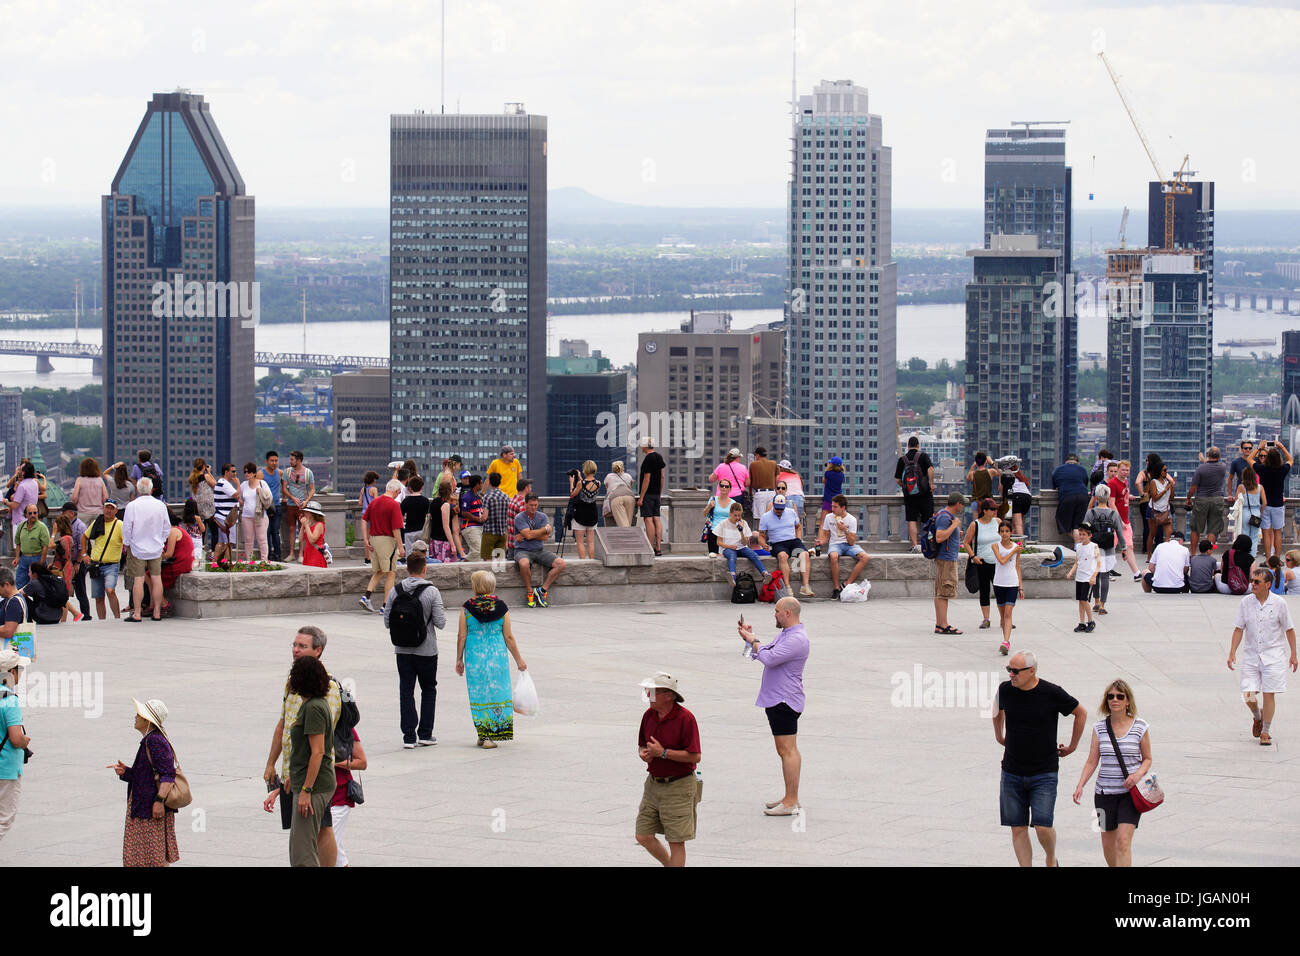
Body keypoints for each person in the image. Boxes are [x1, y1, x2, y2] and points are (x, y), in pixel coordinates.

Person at [992, 651, 1087, 867]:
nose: (1011, 675)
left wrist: (1072, 746)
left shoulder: (1051, 692)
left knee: (1043, 826)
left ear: (1032, 671)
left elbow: (1081, 713)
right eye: (1009, 670)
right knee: (1017, 828)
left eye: (1015, 671)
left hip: (1044, 772)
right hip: (1011, 771)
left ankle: (1051, 859)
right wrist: (999, 735)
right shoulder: (1005, 689)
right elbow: (997, 710)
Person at [262, 625, 341, 867]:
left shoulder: (325, 690)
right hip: (295, 774)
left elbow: (319, 747)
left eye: (302, 646)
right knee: (301, 836)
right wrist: (272, 764)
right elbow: (283, 724)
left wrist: (305, 787)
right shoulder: (294, 683)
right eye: (294, 645)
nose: (295, 650)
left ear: (318, 650)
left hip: (312, 778)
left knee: (317, 833)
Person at [738, 596, 809, 816]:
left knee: (787, 750)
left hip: (784, 700)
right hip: (778, 699)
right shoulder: (787, 635)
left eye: (777, 611)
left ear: (787, 613)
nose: (775, 615)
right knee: (786, 750)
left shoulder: (796, 638)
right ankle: (790, 797)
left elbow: (769, 658)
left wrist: (754, 641)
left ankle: (791, 801)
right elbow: (765, 651)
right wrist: (751, 639)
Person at [1071, 680, 1152, 867]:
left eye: (1119, 696)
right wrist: (1080, 784)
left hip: (1129, 795)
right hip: (1104, 795)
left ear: (1127, 701)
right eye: (1111, 696)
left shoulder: (1140, 727)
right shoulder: (1099, 728)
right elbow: (1092, 760)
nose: (1114, 700)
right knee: (1107, 844)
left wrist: (1137, 775)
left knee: (1123, 842)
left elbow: (1147, 758)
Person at [634, 672, 702, 867]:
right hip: (653, 784)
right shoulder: (649, 715)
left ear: (669, 695)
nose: (648, 696)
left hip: (679, 785)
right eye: (648, 691)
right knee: (643, 835)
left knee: (676, 840)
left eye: (653, 692)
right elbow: (642, 744)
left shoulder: (686, 718)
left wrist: (663, 753)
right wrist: (644, 753)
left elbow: (695, 756)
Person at [1228, 568, 1299, 747]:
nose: (1252, 584)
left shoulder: (1279, 603)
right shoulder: (1245, 602)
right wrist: (1232, 653)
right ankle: (1257, 716)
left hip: (1273, 655)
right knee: (1248, 693)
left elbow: (1289, 629)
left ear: (1267, 585)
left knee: (1269, 693)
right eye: (1252, 581)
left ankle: (1266, 731)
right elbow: (1238, 628)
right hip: (1252, 654)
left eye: (1256, 582)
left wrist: (1293, 654)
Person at [382, 552, 447, 748]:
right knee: (428, 689)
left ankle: (408, 736)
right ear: (425, 568)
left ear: (407, 568)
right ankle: (425, 734)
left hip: (402, 649)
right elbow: (440, 622)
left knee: (406, 690)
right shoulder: (432, 591)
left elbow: (387, 621)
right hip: (426, 649)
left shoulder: (395, 590)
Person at [456, 569, 527, 748]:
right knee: (498, 693)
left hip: (474, 657)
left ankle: (483, 733)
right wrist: (519, 660)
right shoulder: (501, 607)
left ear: (475, 586)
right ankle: (492, 733)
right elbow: (509, 637)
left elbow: (462, 636)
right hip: (497, 657)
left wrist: (459, 659)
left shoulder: (467, 608)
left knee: (479, 694)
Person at [109, 698, 180, 867]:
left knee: (150, 858)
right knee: (146, 857)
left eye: (139, 715)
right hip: (144, 806)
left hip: (149, 809)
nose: (135, 717)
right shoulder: (150, 740)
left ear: (148, 720)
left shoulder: (155, 741)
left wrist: (159, 801)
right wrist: (126, 772)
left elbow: (168, 774)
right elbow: (146, 775)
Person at [279, 656, 335, 866]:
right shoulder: (313, 705)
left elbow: (318, 752)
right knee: (301, 845)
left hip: (315, 786)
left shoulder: (313, 708)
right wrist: (295, 778)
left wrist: (306, 790)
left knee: (302, 852)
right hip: (310, 782)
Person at [122, 477, 171, 623]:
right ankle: (157, 612)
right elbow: (166, 527)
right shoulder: (160, 505)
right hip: (156, 547)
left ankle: (137, 613)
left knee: (139, 579)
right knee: (156, 579)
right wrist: (161, 541)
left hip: (137, 547)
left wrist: (127, 543)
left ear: (137, 489)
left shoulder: (132, 506)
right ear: (151, 489)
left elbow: (127, 528)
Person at [0, 644, 31, 843]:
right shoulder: (9, 700)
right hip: (6, 767)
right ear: (11, 672)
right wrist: (24, 740)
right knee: (4, 818)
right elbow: (15, 737)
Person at [513, 493, 566, 608]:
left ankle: (542, 590)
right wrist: (544, 529)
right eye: (531, 505)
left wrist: (528, 535)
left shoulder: (542, 517)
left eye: (535, 505)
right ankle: (529, 592)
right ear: (525, 504)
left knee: (560, 564)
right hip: (522, 550)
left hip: (539, 550)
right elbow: (532, 534)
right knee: (524, 563)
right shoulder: (519, 517)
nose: (533, 508)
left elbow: (545, 537)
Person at [360, 479, 405, 613]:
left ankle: (366, 597)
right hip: (387, 541)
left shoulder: (374, 502)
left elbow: (363, 519)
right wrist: (401, 547)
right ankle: (386, 606)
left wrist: (365, 539)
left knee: (379, 570)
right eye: (399, 492)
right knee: (391, 572)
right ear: (396, 491)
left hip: (374, 538)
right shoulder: (394, 504)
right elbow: (396, 528)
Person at [758, 494, 815, 598]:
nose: (779, 511)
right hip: (777, 542)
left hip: (793, 541)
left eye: (781, 509)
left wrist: (798, 538)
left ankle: (805, 586)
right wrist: (763, 544)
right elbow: (761, 535)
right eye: (777, 508)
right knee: (782, 556)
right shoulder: (765, 517)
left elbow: (798, 526)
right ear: (773, 505)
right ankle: (787, 587)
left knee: (805, 554)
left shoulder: (791, 512)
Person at [817, 494, 870, 599]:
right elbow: (826, 536)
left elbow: (851, 542)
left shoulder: (852, 519)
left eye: (835, 507)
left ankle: (846, 584)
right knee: (833, 557)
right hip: (835, 544)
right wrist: (821, 542)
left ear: (843, 507)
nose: (832, 509)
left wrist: (845, 529)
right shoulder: (829, 517)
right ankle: (836, 588)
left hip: (848, 545)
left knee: (865, 557)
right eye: (832, 506)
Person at [81, 499, 124, 619]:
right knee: (99, 596)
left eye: (111, 508)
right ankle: (102, 620)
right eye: (107, 507)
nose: (108, 510)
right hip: (95, 564)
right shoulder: (97, 522)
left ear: (116, 510)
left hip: (111, 564)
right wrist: (84, 554)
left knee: (110, 590)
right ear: (103, 508)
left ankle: (117, 617)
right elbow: (84, 537)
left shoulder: (119, 525)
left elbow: (127, 541)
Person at [330, 723, 366, 867]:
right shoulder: (315, 725)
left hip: (340, 795)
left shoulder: (346, 729)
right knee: (334, 847)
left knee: (330, 842)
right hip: (320, 797)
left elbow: (362, 762)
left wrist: (334, 763)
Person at [1251, 439, 1292, 563]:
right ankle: (1277, 558)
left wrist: (1259, 448)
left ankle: (1268, 558)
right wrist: (1282, 447)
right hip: (1278, 504)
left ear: (1267, 458)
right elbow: (1290, 460)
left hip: (1265, 505)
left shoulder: (1262, 469)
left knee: (1266, 533)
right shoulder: (1282, 469)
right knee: (1278, 532)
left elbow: (1249, 460)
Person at [962, 497, 1001, 629]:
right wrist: (973, 556)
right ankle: (986, 618)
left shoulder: (998, 522)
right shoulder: (975, 525)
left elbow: (1005, 538)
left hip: (998, 562)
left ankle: (1004, 618)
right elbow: (966, 543)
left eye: (995, 509)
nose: (995, 511)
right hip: (982, 562)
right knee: (984, 590)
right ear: (984, 510)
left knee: (1000, 590)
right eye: (992, 509)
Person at [1186, 446, 1231, 554]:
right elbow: (1212, 465)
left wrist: (1188, 498)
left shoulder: (1201, 469)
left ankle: (1193, 554)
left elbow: (1193, 488)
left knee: (1196, 528)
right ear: (1219, 456)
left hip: (1202, 499)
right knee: (1213, 529)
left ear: (1208, 455)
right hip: (1217, 500)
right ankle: (1208, 553)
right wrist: (1204, 460)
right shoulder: (1222, 467)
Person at [1083, 488, 1121, 615]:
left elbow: (1083, 531)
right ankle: (1103, 605)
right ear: (1108, 497)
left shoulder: (1090, 513)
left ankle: (1096, 601)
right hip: (1108, 549)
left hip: (1094, 548)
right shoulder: (1114, 514)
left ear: (1097, 498)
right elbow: (1120, 532)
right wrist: (1125, 548)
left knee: (1096, 575)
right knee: (1105, 576)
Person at [933, 492, 966, 634]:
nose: (963, 506)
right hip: (946, 559)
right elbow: (939, 537)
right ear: (957, 503)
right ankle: (944, 624)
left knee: (940, 592)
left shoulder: (944, 515)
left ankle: (939, 624)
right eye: (962, 504)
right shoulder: (945, 517)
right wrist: (954, 526)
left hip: (946, 557)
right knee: (945, 592)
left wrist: (955, 532)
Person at [896, 437, 936, 553]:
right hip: (924, 494)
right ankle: (928, 544)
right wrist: (931, 484)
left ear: (908, 446)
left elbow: (898, 479)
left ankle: (915, 545)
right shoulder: (923, 456)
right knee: (928, 519)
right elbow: (931, 469)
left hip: (909, 496)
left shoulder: (902, 459)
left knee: (912, 519)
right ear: (918, 445)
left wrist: (907, 486)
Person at [991, 521, 1023, 656]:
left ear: (1011, 533)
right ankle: (1005, 635)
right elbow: (1002, 561)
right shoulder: (995, 546)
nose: (1004, 534)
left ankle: (1006, 641)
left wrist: (1020, 587)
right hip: (999, 583)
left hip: (1012, 583)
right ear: (999, 533)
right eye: (1002, 531)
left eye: (1007, 531)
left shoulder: (1016, 548)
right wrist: (1013, 551)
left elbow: (1017, 566)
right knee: (1003, 615)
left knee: (1008, 613)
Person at [717, 502, 766, 586]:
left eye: (739, 515)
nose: (737, 518)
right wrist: (730, 546)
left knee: (753, 555)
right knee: (732, 556)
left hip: (741, 547)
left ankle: (765, 574)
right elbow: (719, 542)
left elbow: (744, 542)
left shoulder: (744, 523)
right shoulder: (723, 523)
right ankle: (732, 576)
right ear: (730, 514)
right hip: (727, 548)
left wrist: (741, 531)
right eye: (735, 515)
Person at [1108, 461, 1142, 578]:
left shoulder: (1125, 482)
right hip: (1114, 521)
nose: (1125, 472)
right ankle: (1106, 571)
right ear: (1118, 469)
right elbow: (1111, 503)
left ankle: (1136, 573)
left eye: (1127, 470)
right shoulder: (1112, 483)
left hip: (1125, 520)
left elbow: (1122, 496)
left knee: (1129, 546)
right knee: (1110, 547)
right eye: (1123, 470)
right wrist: (1119, 520)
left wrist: (1129, 496)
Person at [282, 451, 316, 563]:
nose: (290, 461)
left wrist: (307, 500)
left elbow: (312, 489)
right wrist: (292, 497)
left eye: (292, 459)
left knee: (302, 529)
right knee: (291, 528)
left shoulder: (308, 473)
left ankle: (301, 554)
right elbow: (284, 488)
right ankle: (291, 553)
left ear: (299, 460)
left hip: (303, 505)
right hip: (291, 505)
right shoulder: (287, 472)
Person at [238, 463, 273, 561]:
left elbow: (269, 498)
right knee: (248, 540)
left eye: (248, 472)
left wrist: (260, 492)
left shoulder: (262, 483)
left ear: (254, 473)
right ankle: (249, 561)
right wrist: (243, 504)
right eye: (245, 472)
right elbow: (240, 499)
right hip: (246, 516)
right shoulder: (243, 485)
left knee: (262, 539)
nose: (246, 474)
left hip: (260, 515)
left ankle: (264, 560)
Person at [637, 439, 667, 556]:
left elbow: (646, 479)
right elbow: (662, 476)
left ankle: (650, 546)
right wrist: (659, 493)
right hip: (656, 494)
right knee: (657, 519)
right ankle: (658, 547)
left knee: (648, 519)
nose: (641, 448)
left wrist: (641, 498)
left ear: (645, 447)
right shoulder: (659, 457)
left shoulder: (647, 460)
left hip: (648, 495)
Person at [1069, 523, 1100, 633]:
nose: (1081, 536)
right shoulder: (1078, 547)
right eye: (1080, 534)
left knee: (1084, 599)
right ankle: (1081, 622)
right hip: (1080, 576)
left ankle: (1091, 621)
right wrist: (1071, 572)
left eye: (1084, 534)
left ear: (1089, 535)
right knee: (1080, 600)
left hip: (1088, 577)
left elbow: (1098, 563)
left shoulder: (1094, 546)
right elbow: (1077, 562)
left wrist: (1094, 576)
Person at [1050, 454, 1090, 540]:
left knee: (1062, 522)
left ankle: (1079, 545)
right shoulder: (1082, 469)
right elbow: (1085, 483)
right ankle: (1080, 545)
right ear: (1077, 462)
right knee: (1077, 526)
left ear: (1065, 462)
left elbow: (1054, 486)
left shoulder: (1058, 470)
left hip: (1067, 497)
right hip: (1083, 496)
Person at [10, 503, 48, 591]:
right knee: (20, 584)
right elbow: (17, 542)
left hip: (37, 558)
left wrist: (42, 561)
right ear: (26, 515)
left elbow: (45, 546)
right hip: (24, 558)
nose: (33, 515)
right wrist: (17, 557)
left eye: (35, 513)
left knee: (39, 586)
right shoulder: (21, 526)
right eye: (30, 513)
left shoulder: (42, 527)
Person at [210, 463, 240, 565]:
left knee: (222, 542)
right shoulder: (225, 484)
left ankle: (215, 563)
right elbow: (237, 495)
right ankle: (226, 563)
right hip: (227, 517)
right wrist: (238, 484)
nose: (235, 474)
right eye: (233, 471)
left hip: (221, 516)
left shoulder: (220, 483)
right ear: (226, 472)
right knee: (229, 542)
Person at [187, 459, 219, 553]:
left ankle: (201, 551)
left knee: (201, 532)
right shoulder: (205, 476)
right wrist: (209, 472)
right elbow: (216, 485)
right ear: (204, 467)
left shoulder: (193, 478)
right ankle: (213, 553)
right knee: (214, 532)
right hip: (209, 508)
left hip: (198, 508)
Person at [1144, 460, 1174, 558]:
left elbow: (1172, 498)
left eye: (1166, 470)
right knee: (1152, 533)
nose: (1166, 472)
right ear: (1159, 471)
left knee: (1168, 534)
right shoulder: (1154, 482)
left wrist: (1171, 488)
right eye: (1164, 470)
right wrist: (1165, 490)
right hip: (1154, 510)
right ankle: (1149, 555)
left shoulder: (1167, 482)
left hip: (1165, 510)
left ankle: (1164, 556)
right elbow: (1155, 497)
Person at [428, 478, 462, 563]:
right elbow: (446, 527)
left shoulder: (434, 502)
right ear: (449, 491)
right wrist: (453, 545)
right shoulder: (445, 505)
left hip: (434, 540)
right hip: (443, 542)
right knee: (448, 568)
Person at [1233, 464, 1263, 558]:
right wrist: (1259, 510)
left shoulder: (1241, 487)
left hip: (1245, 512)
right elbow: (1265, 502)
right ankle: (1252, 556)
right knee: (1254, 537)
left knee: (1244, 535)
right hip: (1256, 512)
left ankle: (1244, 556)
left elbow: (1236, 500)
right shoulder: (1260, 487)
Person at [479, 471, 511, 560]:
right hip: (502, 534)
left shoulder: (487, 497)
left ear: (489, 483)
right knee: (499, 563)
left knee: (487, 560)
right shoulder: (506, 497)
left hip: (489, 533)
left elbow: (484, 517)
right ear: (500, 482)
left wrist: (480, 518)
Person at [259, 451, 284, 562]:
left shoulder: (279, 473)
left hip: (277, 505)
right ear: (267, 461)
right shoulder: (261, 474)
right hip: (265, 507)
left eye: (276, 460)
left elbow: (284, 485)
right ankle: (268, 556)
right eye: (272, 461)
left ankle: (278, 555)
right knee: (266, 532)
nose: (274, 463)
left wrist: (284, 497)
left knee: (275, 532)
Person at [71, 457, 107, 528]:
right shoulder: (100, 480)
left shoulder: (80, 480)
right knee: (96, 536)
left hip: (83, 513)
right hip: (98, 513)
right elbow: (105, 499)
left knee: (83, 535)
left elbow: (74, 498)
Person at [400, 475, 431, 553]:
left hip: (409, 530)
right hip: (422, 530)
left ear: (410, 488)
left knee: (410, 555)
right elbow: (428, 516)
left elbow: (400, 516)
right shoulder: (425, 501)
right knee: (422, 554)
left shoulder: (406, 500)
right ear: (422, 487)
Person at [458, 475, 485, 559]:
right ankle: (463, 566)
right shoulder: (467, 497)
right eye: (481, 483)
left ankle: (465, 565)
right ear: (477, 484)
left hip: (479, 527)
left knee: (479, 552)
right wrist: (477, 519)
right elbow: (464, 512)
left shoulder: (477, 497)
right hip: (470, 527)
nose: (482, 484)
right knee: (478, 550)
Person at [603, 461, 637, 528]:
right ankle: (630, 536)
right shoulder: (628, 476)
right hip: (630, 497)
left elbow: (607, 490)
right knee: (628, 522)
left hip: (616, 498)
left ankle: (626, 537)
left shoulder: (609, 476)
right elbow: (631, 486)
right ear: (622, 467)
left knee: (623, 523)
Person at [1004, 458, 1032, 538]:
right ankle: (1015, 542)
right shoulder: (1020, 477)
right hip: (1027, 497)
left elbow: (1002, 489)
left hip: (1016, 497)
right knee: (1015, 523)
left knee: (1017, 524)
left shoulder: (1006, 476)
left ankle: (1021, 545)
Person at [749, 447, 779, 519]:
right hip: (772, 493)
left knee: (760, 519)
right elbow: (777, 479)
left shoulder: (753, 465)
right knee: (772, 518)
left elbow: (750, 481)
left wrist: (750, 494)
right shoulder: (774, 464)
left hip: (760, 494)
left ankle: (760, 531)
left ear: (757, 455)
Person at [357, 470, 380, 564]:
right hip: (372, 515)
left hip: (364, 514)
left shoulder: (363, 489)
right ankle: (372, 558)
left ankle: (367, 559)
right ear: (373, 480)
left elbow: (359, 503)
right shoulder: (374, 489)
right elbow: (376, 503)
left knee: (365, 538)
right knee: (371, 537)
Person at [505, 478, 531, 555]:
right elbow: (526, 527)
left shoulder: (512, 500)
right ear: (526, 488)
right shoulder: (522, 503)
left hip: (511, 542)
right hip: (520, 545)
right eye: (530, 487)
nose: (531, 489)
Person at [776, 460, 806, 526]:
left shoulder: (780, 475)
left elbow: (776, 487)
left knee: (787, 522)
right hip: (800, 499)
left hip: (788, 498)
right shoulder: (796, 475)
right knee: (796, 522)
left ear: (781, 468)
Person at [299, 501, 327, 568]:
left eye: (306, 512)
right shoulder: (308, 524)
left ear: (312, 513)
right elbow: (300, 539)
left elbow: (312, 540)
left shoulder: (319, 524)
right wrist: (303, 526)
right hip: (308, 553)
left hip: (316, 554)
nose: (304, 513)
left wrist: (306, 525)